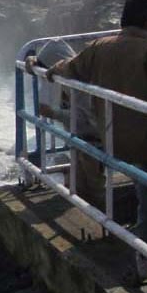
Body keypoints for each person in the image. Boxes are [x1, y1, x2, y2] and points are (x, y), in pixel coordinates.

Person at [36, 0, 147, 277]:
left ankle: (145, 262)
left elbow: (68, 68)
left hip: (121, 146)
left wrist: (45, 70)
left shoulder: (100, 47)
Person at [35, 38, 106, 209]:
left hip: (92, 140)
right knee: (80, 183)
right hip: (80, 139)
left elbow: (90, 119)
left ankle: (101, 218)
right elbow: (41, 67)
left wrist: (55, 114)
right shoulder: (66, 75)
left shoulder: (80, 84)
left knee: (93, 186)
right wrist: (32, 62)